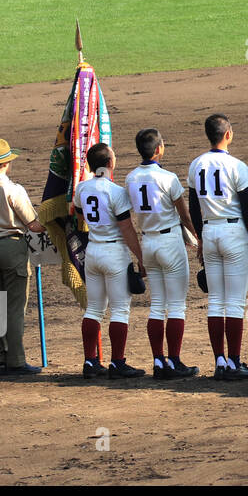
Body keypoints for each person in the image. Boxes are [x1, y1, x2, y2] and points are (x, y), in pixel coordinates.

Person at [188, 114, 248, 381]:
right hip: (234, 233)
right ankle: (234, 361)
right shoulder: (236, 165)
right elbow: (247, 208)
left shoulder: (196, 165)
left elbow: (194, 207)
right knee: (234, 302)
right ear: (228, 134)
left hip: (210, 231)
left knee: (216, 301)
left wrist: (200, 239)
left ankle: (220, 361)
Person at [125, 128, 200, 379]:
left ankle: (159, 361)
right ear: (159, 149)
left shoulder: (131, 178)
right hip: (169, 242)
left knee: (157, 305)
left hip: (148, 244)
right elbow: (185, 215)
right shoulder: (168, 178)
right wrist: (197, 238)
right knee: (176, 305)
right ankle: (175, 361)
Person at [0, 138, 46, 375]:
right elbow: (33, 224)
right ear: (5, 163)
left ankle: (0, 358)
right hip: (11, 248)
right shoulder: (13, 190)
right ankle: (15, 360)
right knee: (14, 308)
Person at [74, 143, 146, 379]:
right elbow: (127, 229)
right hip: (114, 253)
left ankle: (90, 362)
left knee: (94, 308)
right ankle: (117, 362)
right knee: (119, 310)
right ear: (109, 164)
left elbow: (77, 212)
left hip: (93, 251)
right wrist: (141, 257)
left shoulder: (82, 188)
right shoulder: (116, 192)